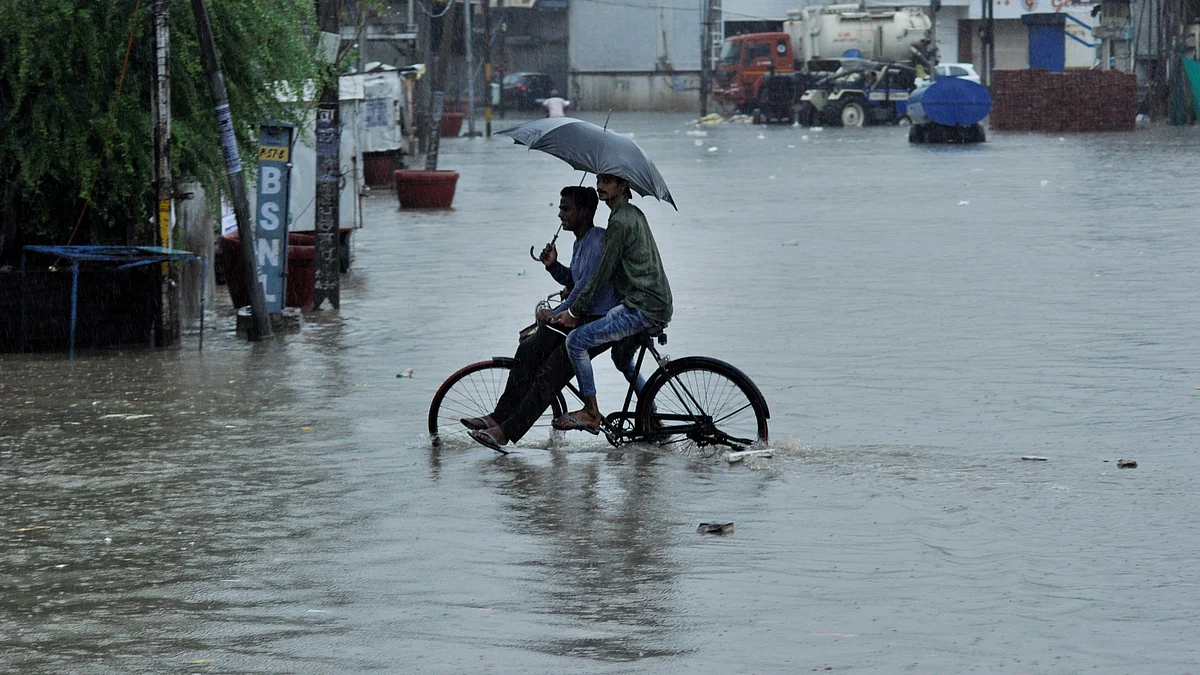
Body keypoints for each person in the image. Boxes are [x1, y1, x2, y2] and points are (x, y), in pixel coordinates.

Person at [463, 186, 640, 452]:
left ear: (584, 211)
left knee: (549, 374)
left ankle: (505, 433)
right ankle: (499, 415)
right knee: (529, 348)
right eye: (559, 208)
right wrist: (553, 266)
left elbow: (584, 292)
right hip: (582, 316)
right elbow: (575, 281)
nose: (560, 214)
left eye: (566, 208)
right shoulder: (581, 242)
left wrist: (557, 313)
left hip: (599, 321)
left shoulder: (597, 242)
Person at [550, 173, 673, 433]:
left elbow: (603, 271)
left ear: (623, 185)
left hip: (642, 306)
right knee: (621, 357)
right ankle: (653, 416)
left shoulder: (618, 221)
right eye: (599, 180)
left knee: (576, 341)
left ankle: (591, 412)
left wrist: (573, 310)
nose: (600, 186)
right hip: (654, 301)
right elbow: (592, 275)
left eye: (607, 181)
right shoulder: (632, 213)